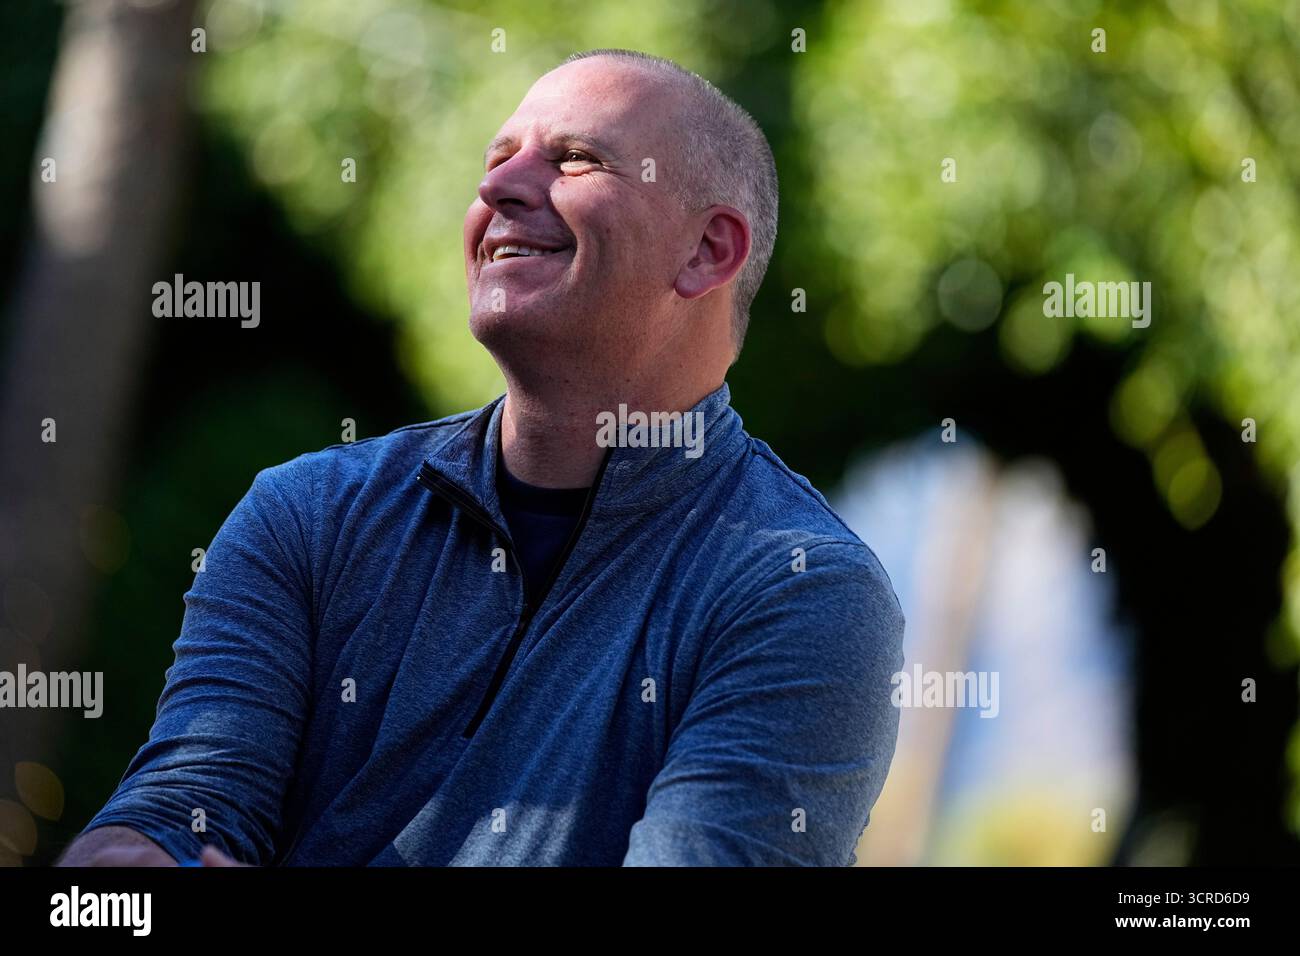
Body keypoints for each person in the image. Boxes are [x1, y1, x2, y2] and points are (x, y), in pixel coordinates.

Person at [57, 48, 904, 867]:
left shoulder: (803, 592)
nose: (496, 186)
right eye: (498, 159)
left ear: (707, 251)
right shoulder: (307, 514)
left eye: (574, 160)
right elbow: (184, 806)